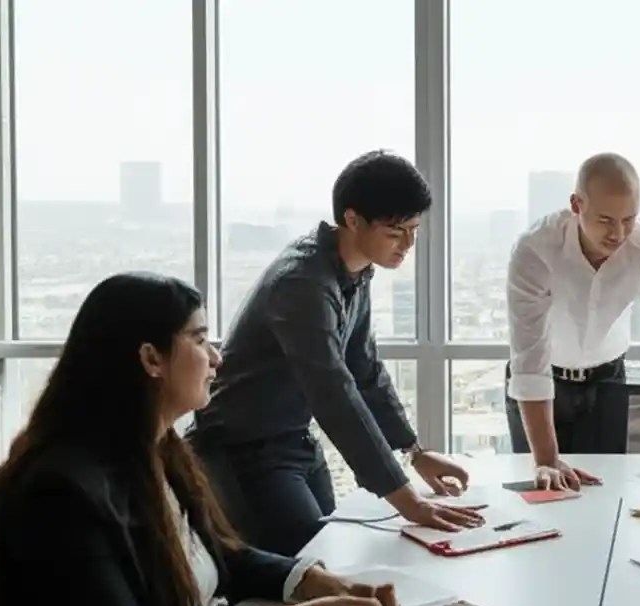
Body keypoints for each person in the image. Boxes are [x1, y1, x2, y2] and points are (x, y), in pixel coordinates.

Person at [0, 273, 401, 606]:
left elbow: (217, 555)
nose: (216, 358)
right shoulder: (60, 490)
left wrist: (313, 581)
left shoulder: (160, 452)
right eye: (200, 339)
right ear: (152, 358)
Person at [189, 151, 483, 556]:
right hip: (244, 450)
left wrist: (414, 451)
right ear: (352, 219)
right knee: (306, 568)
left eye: (414, 230)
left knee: (333, 561)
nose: (408, 245)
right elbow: (334, 392)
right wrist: (407, 499)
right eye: (396, 231)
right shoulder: (303, 282)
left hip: (295, 442)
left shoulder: (355, 270)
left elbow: (364, 369)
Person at [505, 153, 640, 490]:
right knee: (544, 495)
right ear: (576, 204)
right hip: (540, 389)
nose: (618, 234)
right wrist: (545, 460)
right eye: (605, 220)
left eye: (629, 219)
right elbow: (529, 362)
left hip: (608, 383)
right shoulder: (535, 248)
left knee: (605, 497)